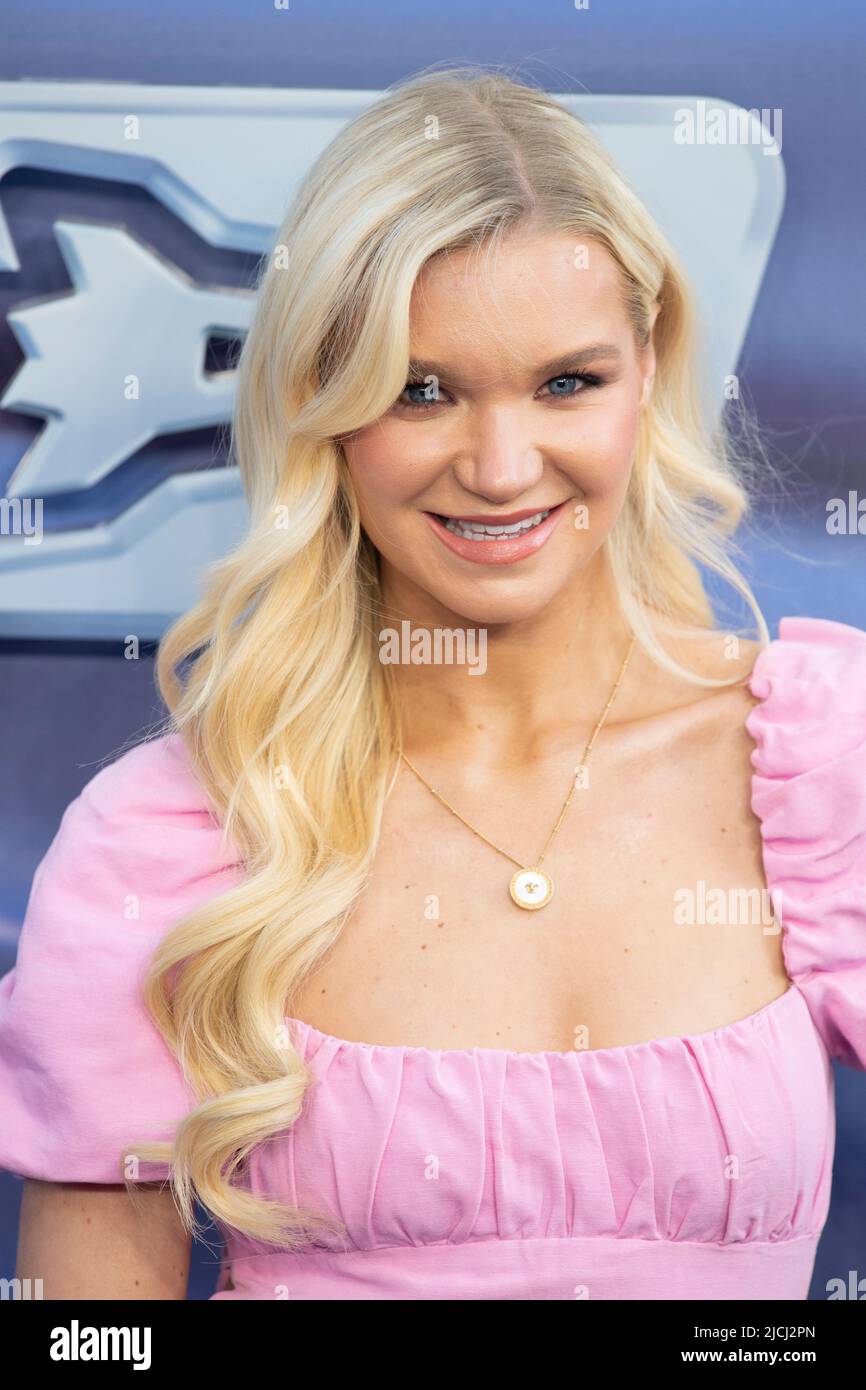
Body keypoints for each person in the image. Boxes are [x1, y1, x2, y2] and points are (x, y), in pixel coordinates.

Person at [2, 66, 864, 1301]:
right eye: (421, 390)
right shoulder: (169, 843)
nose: (502, 467)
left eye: (566, 382)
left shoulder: (821, 761)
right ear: (321, 409)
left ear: (647, 371)